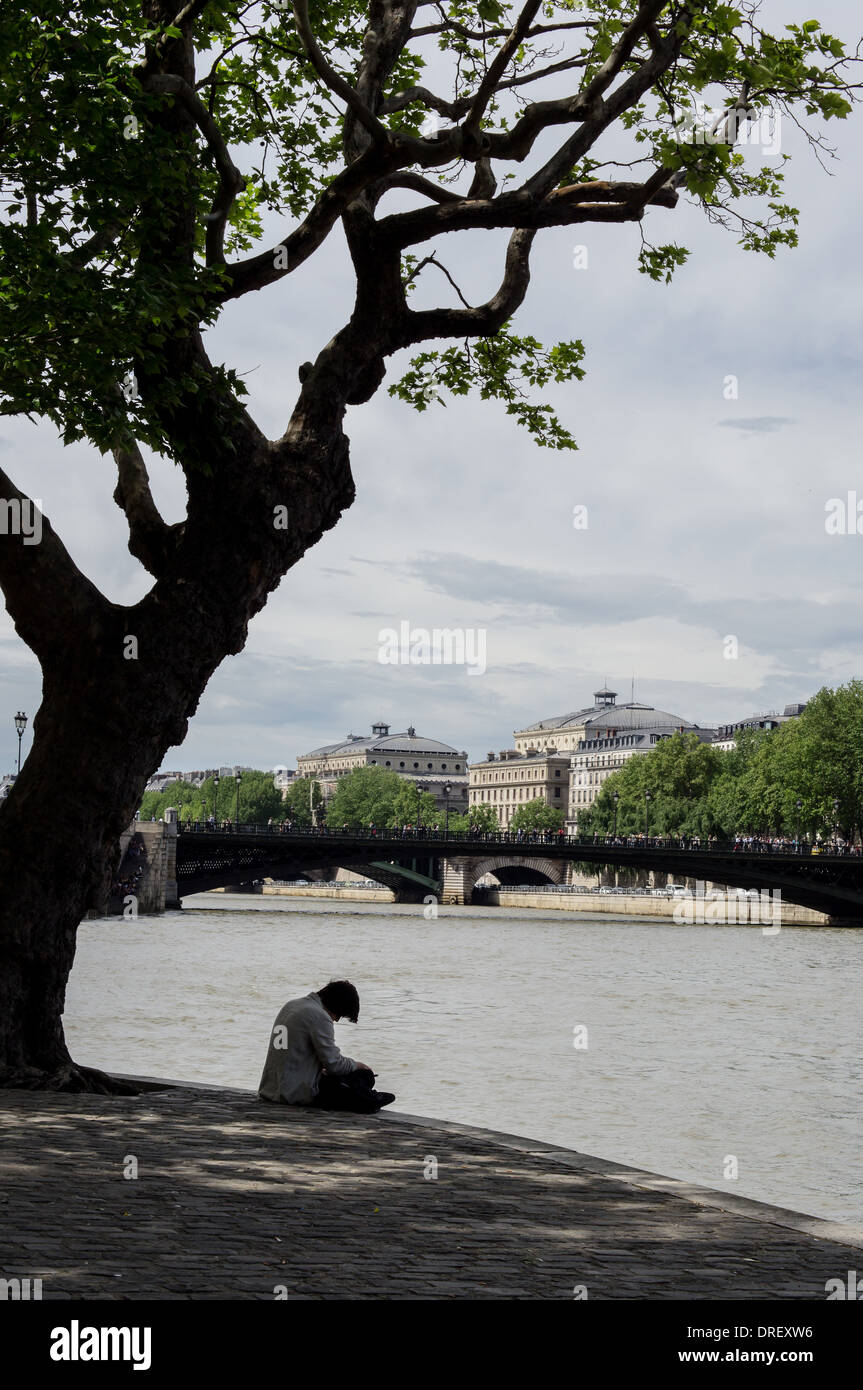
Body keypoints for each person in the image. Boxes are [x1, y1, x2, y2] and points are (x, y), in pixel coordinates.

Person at [258, 979, 395, 1114]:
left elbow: (293, 1052)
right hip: (294, 1093)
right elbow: (334, 1064)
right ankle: (369, 1100)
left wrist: (319, 1068)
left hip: (272, 1088)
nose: (335, 1020)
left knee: (346, 1078)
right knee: (365, 1075)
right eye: (340, 1015)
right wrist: (357, 1065)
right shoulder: (319, 1016)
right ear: (337, 1006)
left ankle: (366, 1095)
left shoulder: (292, 1005)